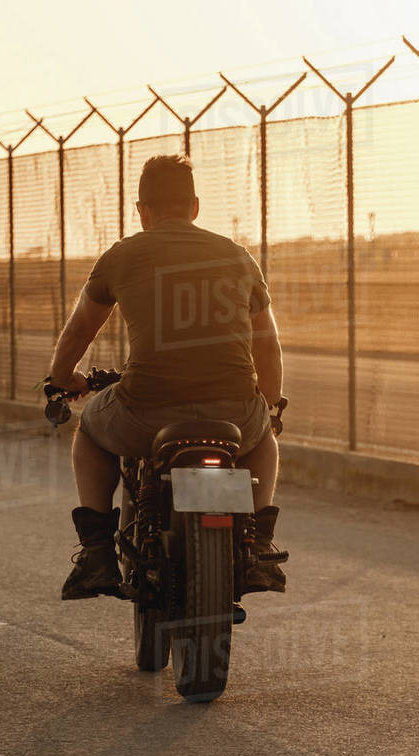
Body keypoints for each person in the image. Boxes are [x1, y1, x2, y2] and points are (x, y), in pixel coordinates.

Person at [45, 154, 286, 601]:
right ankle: (258, 543)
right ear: (195, 206)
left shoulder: (124, 254)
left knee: (91, 433)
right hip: (233, 415)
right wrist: (268, 401)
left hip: (145, 414)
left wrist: (63, 377)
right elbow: (267, 343)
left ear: (143, 210)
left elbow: (81, 328)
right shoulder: (237, 256)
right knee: (265, 434)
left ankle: (96, 553)